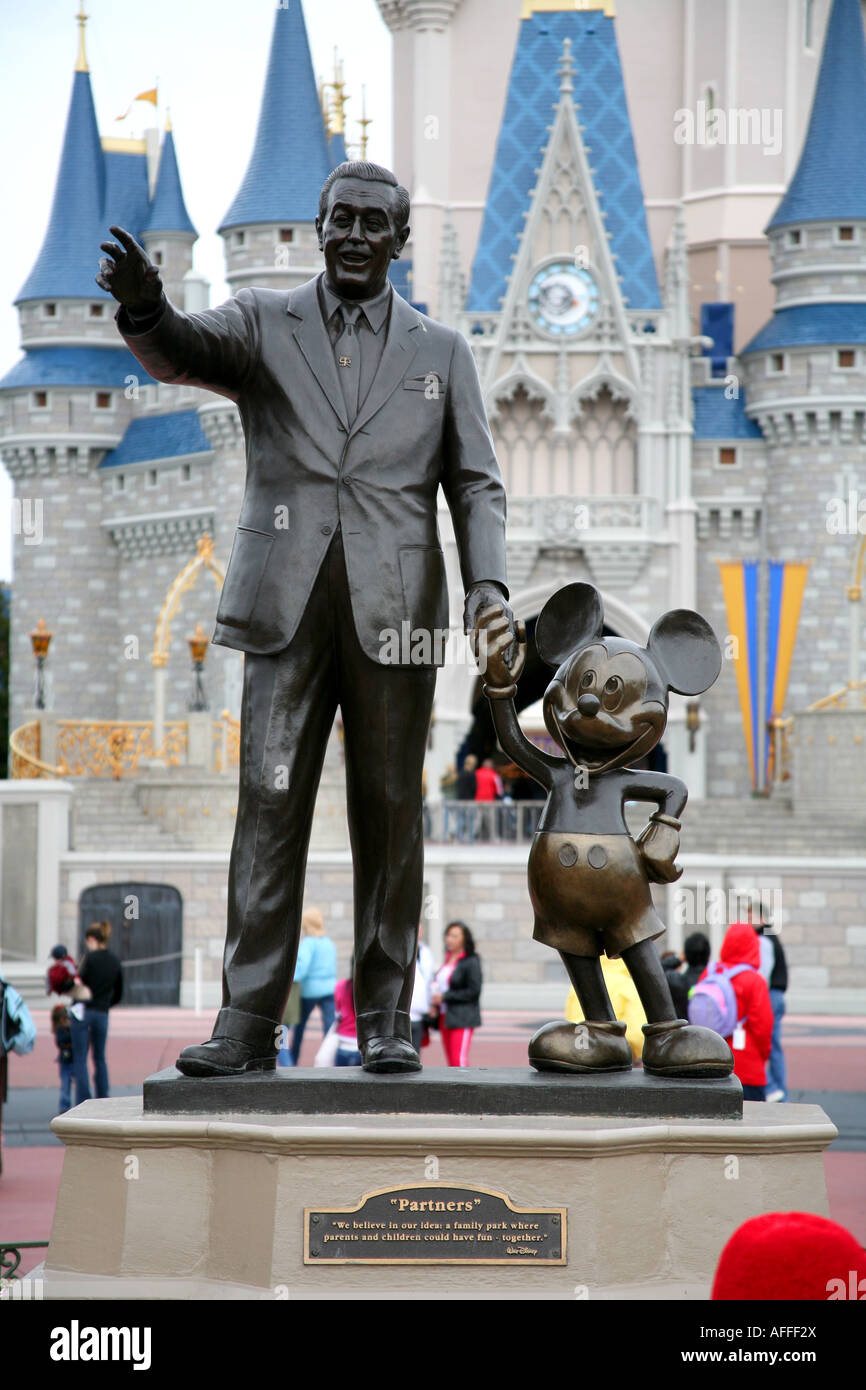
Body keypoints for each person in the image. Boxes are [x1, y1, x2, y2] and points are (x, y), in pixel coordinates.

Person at [99, 160, 513, 1077]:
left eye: (376, 222)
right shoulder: (260, 321)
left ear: (402, 242)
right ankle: (248, 1020)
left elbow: (476, 482)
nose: (358, 234)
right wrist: (142, 312)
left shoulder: (443, 352)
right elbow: (181, 351)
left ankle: (386, 1018)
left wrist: (489, 586)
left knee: (393, 809)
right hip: (284, 608)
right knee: (270, 804)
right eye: (342, 219)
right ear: (317, 227)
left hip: (396, 613)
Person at [697, 921, 772, 1100]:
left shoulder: (710, 973)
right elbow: (763, 1027)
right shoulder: (754, 981)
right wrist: (764, 1055)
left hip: (711, 1063)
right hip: (748, 1067)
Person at [565, 954, 647, 1060]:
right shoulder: (625, 984)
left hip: (580, 1048)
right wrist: (634, 1051)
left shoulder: (579, 984)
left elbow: (571, 1018)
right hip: (613, 1049)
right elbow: (636, 1033)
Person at [78, 922, 123, 1100]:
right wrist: (106, 1004)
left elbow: (78, 983)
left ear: (91, 939)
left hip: (84, 1010)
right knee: (100, 1058)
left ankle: (83, 1099)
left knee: (80, 1059)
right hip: (102, 1012)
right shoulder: (114, 961)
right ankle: (102, 1097)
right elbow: (119, 992)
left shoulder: (88, 959)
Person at [289, 909, 337, 1066]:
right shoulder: (328, 942)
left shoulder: (308, 943)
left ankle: (293, 1060)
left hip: (310, 991)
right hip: (329, 989)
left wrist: (290, 978)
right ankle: (330, 1059)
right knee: (329, 1028)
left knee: (299, 1027)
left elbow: (302, 968)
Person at [751, 904, 788, 1102]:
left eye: (752, 916)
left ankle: (777, 1091)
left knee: (766, 1044)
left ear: (762, 918)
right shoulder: (770, 937)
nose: (749, 921)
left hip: (770, 996)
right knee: (773, 1046)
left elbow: (761, 975)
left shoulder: (764, 940)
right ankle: (779, 1090)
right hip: (775, 994)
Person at [431, 921, 482, 1067]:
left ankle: (465, 1089)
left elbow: (474, 991)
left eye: (454, 936)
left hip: (462, 1016)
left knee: (458, 1060)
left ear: (464, 939)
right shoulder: (448, 959)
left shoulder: (470, 961)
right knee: (450, 1062)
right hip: (445, 1016)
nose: (449, 939)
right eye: (448, 935)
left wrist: (445, 997)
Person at [409, 924, 436, 1053]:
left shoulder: (426, 952)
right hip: (404, 1014)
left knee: (416, 1051)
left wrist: (431, 1003)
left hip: (420, 1014)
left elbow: (429, 979)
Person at [333, 966, 362, 1067]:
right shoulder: (375, 989)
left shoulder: (341, 986)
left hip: (344, 1044)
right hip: (366, 1046)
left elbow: (338, 1013)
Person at [51, 1004, 75, 1115]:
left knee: (74, 1082)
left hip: (72, 1060)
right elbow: (61, 1041)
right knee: (65, 1084)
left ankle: (66, 1105)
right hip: (65, 1061)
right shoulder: (60, 1030)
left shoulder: (71, 1028)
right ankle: (64, 1105)